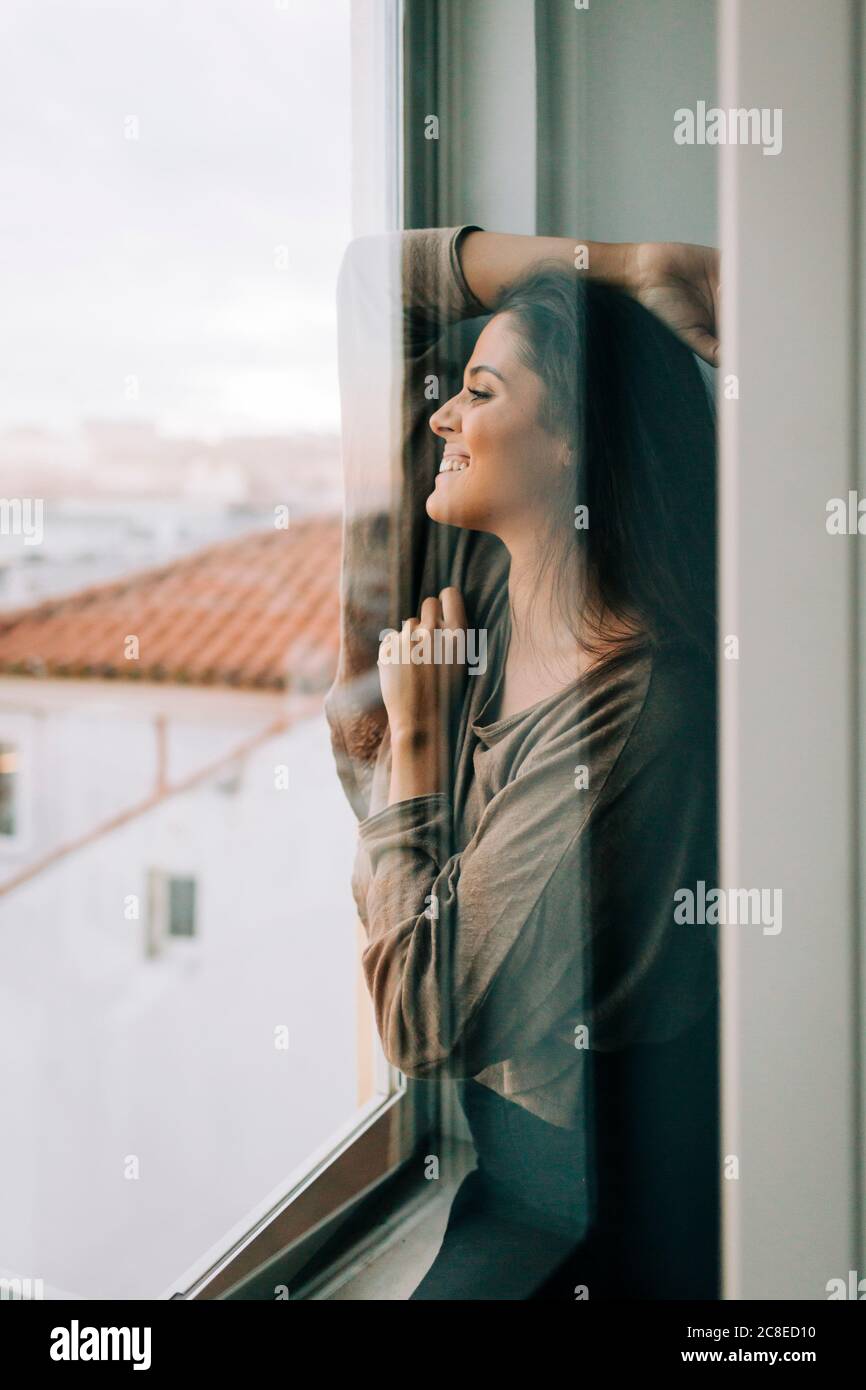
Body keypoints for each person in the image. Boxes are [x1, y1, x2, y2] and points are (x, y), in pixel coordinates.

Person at [325, 226, 720, 1300]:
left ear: (573, 448)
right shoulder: (473, 580)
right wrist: (628, 264)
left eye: (484, 393)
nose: (444, 412)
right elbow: (376, 287)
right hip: (507, 1172)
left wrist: (412, 742)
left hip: (593, 1213)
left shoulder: (634, 710)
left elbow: (421, 1017)